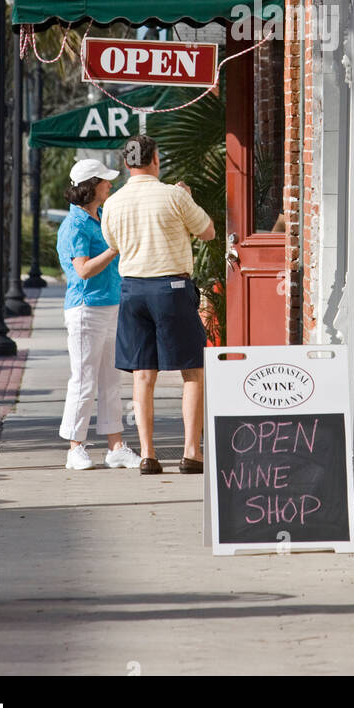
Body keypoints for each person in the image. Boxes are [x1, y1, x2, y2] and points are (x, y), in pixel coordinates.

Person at [101, 135, 215, 475]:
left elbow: (112, 242)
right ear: (156, 160)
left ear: (126, 163)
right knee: (192, 370)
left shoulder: (115, 203)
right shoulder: (174, 195)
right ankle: (191, 452)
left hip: (133, 289)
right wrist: (187, 199)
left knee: (142, 373)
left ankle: (148, 454)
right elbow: (208, 231)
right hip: (172, 287)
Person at [57, 158, 141, 470]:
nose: (109, 184)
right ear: (91, 187)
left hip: (110, 306)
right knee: (83, 380)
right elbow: (83, 270)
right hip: (85, 309)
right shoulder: (74, 225)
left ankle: (116, 446)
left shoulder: (102, 216)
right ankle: (75, 447)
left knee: (110, 380)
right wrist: (113, 250)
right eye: (104, 181)